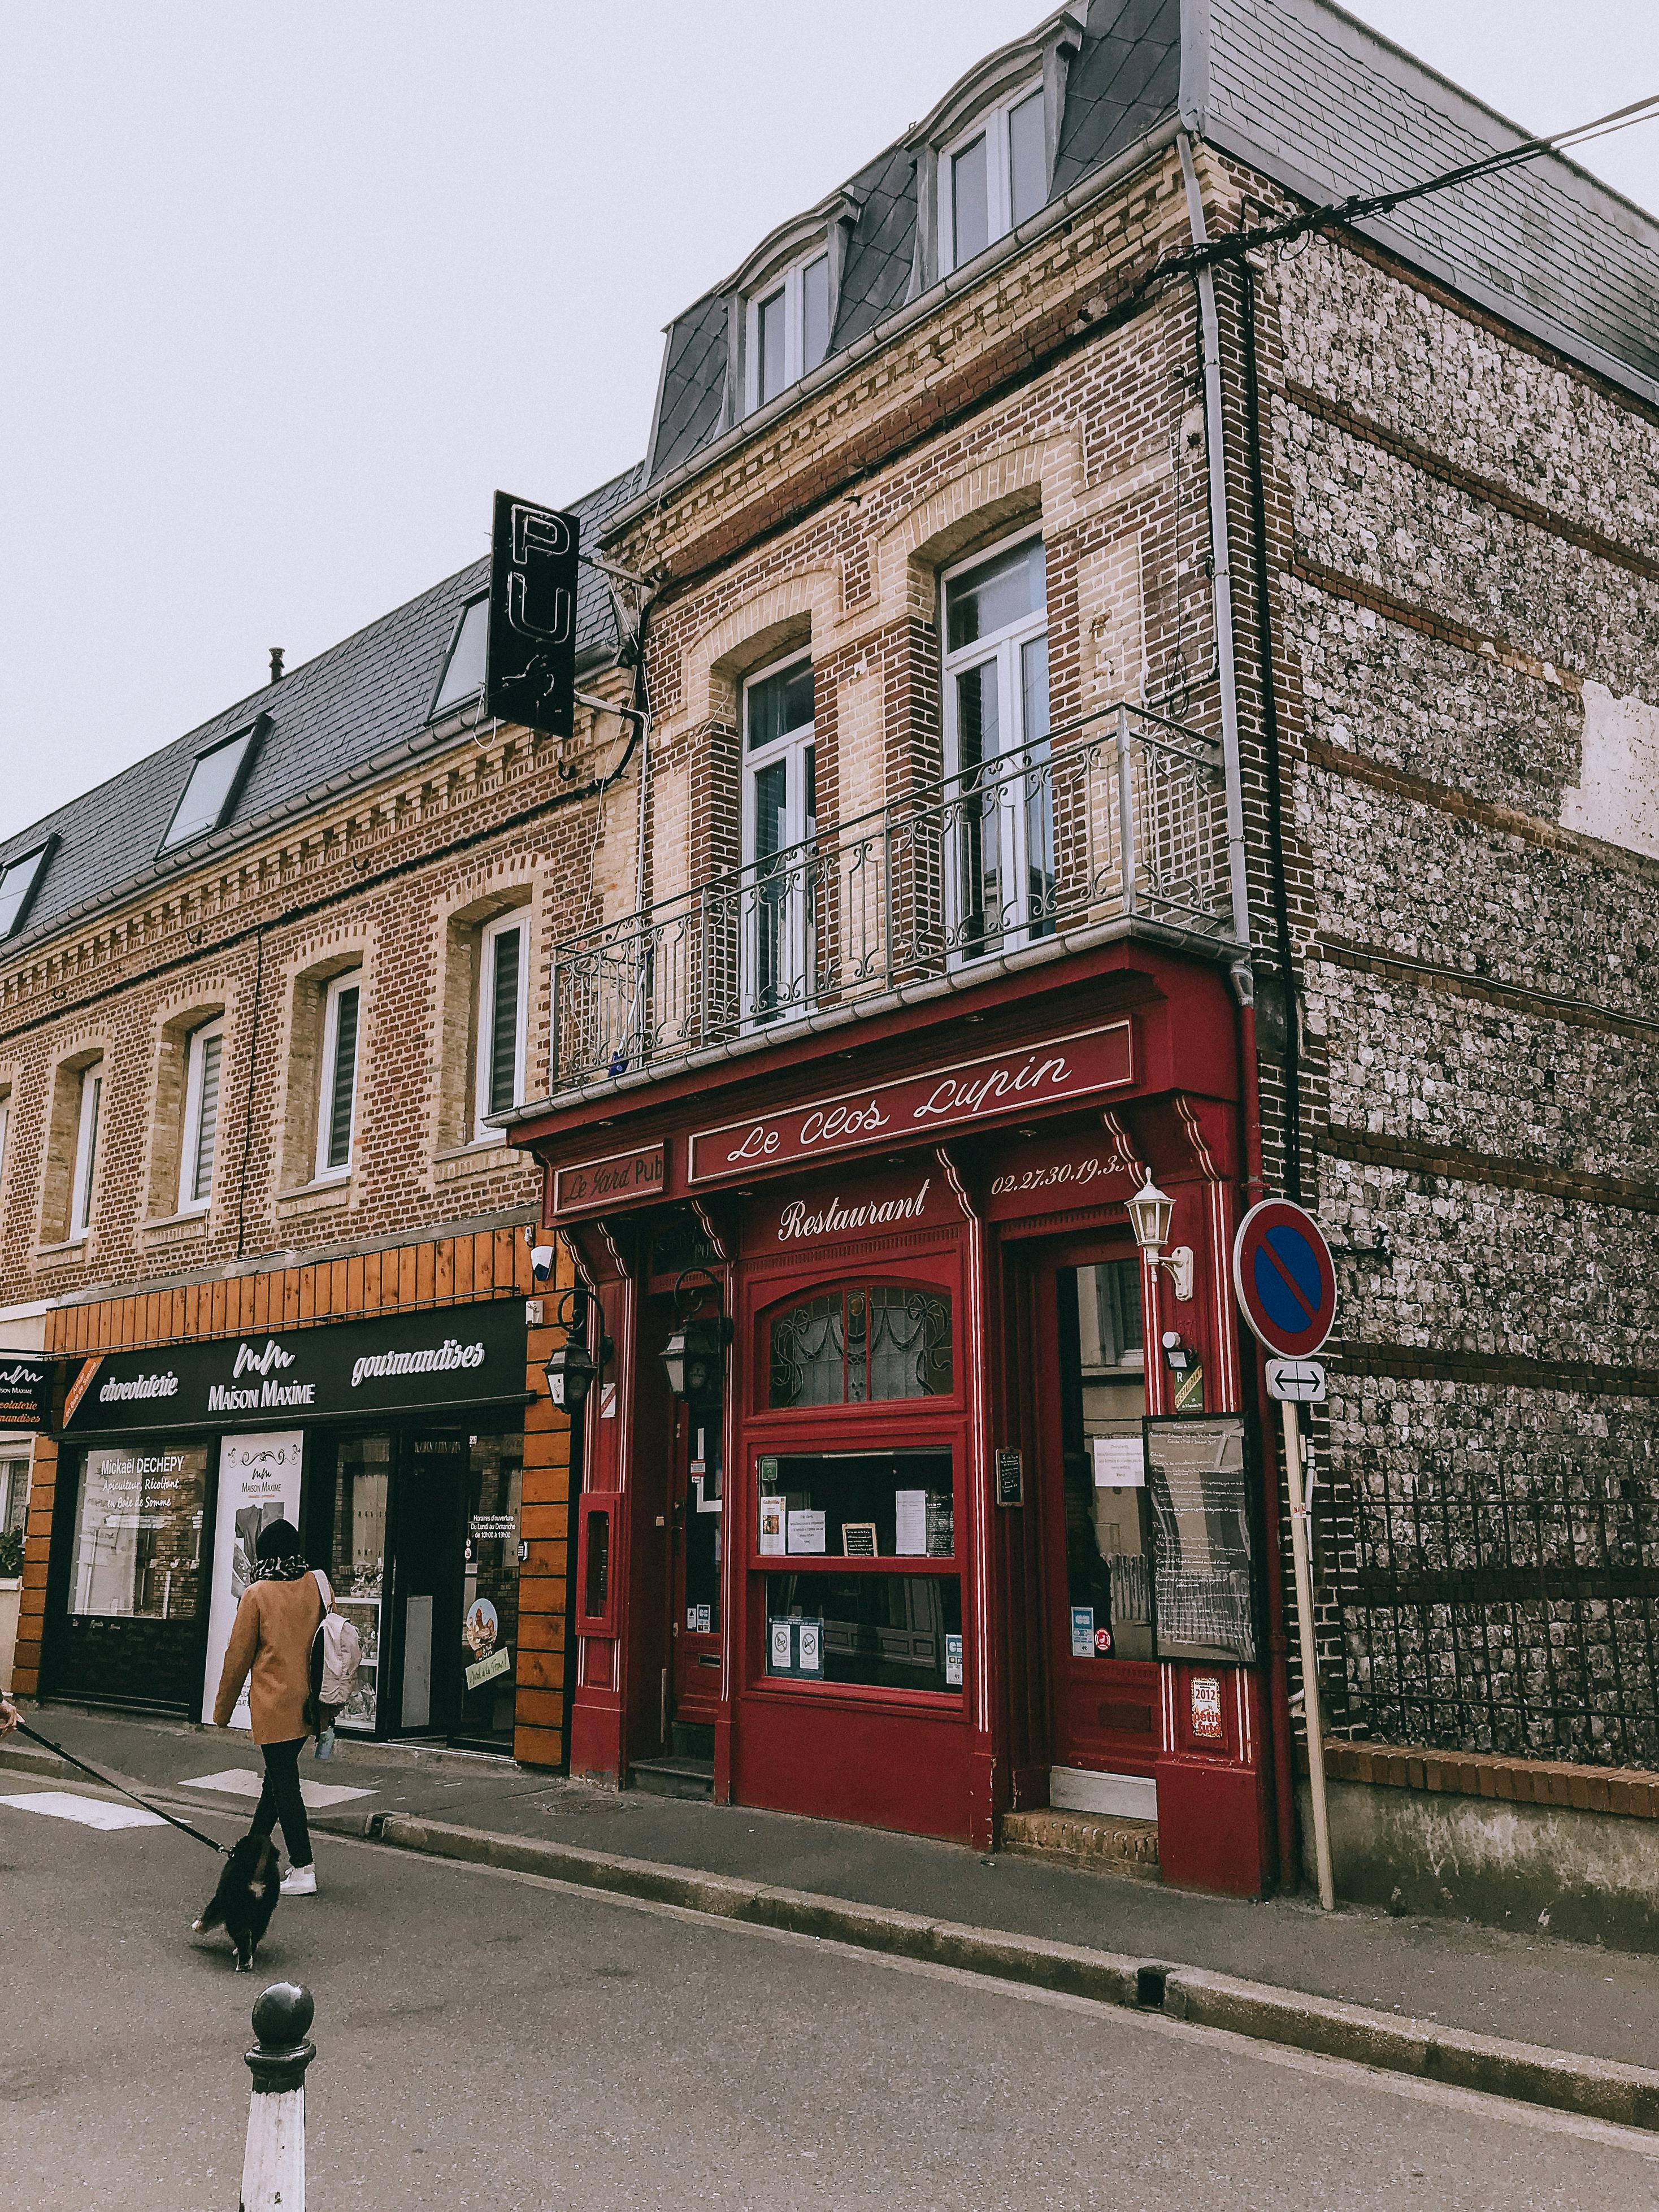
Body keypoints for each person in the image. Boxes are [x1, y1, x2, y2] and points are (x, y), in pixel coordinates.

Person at [212, 1519, 324, 1896]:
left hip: (275, 1706)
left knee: (284, 1783)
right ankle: (250, 1860)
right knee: (275, 1783)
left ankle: (303, 1865)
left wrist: (222, 1712)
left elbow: (237, 1658)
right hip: (313, 1703)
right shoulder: (317, 1584)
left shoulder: (257, 1594)